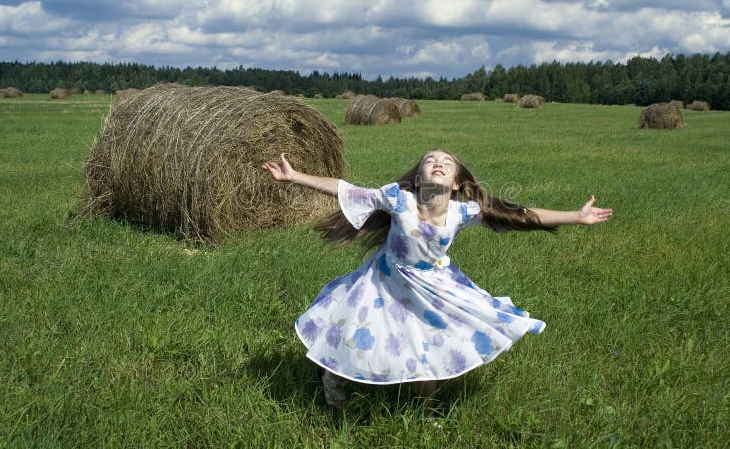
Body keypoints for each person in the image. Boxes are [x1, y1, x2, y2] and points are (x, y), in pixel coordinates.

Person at [261, 149, 612, 409]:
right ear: (418, 178)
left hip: (431, 287)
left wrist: (575, 216)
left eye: (447, 162)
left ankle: (426, 410)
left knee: (428, 344)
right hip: (384, 282)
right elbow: (347, 189)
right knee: (356, 334)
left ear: (456, 182)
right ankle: (333, 382)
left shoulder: (462, 212)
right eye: (430, 160)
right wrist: (296, 176)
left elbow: (519, 214)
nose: (438, 163)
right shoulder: (398, 199)